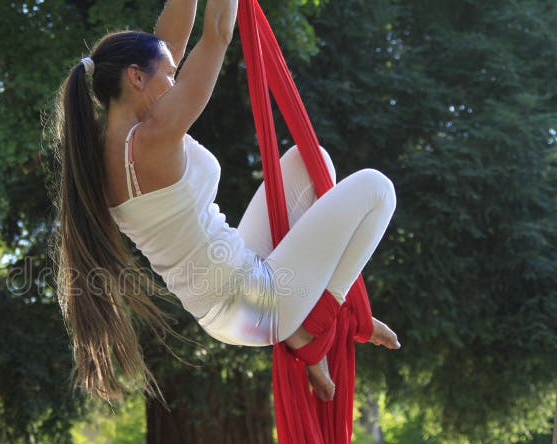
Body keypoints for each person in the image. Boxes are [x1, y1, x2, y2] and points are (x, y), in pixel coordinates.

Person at [48, 0, 400, 404]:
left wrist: (165, 61)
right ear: (135, 78)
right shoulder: (153, 137)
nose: (174, 81)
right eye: (169, 76)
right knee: (377, 188)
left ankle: (301, 314)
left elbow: (168, 45)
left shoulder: (102, 147)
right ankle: (321, 321)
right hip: (252, 303)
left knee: (311, 159)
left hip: (231, 293)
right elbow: (218, 33)